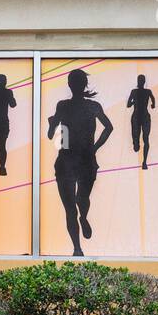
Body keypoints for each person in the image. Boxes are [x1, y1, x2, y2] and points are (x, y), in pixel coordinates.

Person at [47, 68, 113, 257]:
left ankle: (81, 226)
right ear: (84, 84)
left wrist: (53, 125)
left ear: (70, 84)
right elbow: (108, 128)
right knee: (76, 203)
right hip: (81, 159)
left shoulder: (65, 106)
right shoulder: (90, 106)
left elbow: (52, 135)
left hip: (71, 159)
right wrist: (95, 147)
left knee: (74, 206)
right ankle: (77, 246)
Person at [126, 74, 156, 170]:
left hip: (137, 116)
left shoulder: (134, 91)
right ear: (144, 82)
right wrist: (152, 105)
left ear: (138, 81)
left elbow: (128, 105)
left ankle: (144, 161)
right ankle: (144, 162)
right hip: (144, 116)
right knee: (145, 139)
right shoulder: (147, 91)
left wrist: (134, 102)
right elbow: (153, 99)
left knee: (141, 139)